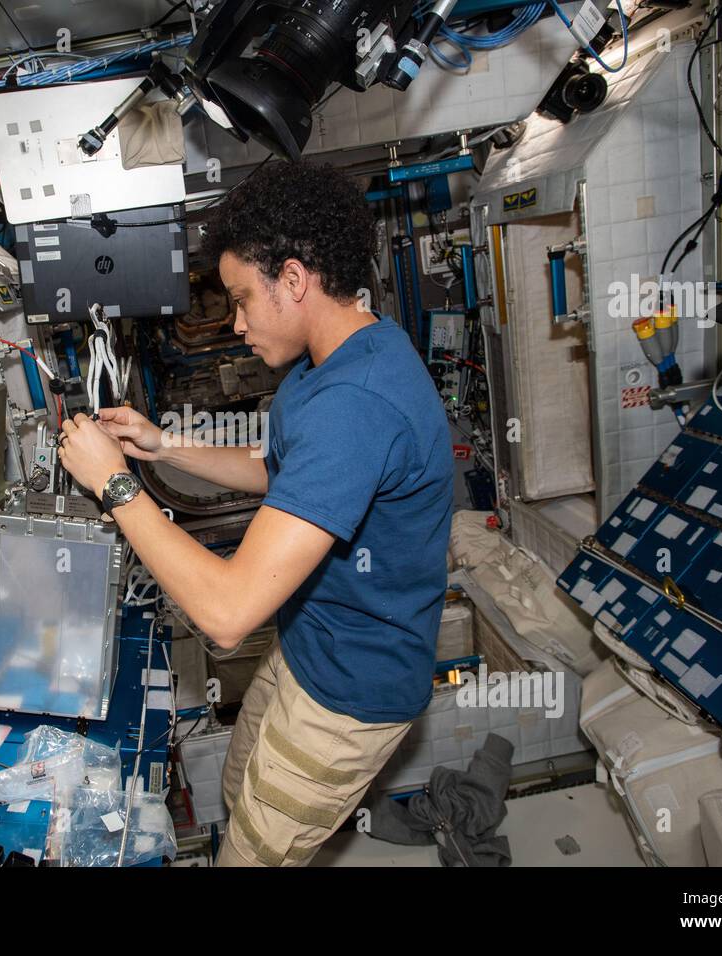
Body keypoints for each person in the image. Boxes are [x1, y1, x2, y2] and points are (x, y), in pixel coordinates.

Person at [56, 160, 454, 866]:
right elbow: (284, 473)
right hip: (309, 647)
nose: (235, 324)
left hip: (348, 696)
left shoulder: (355, 405)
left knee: (254, 853)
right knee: (241, 787)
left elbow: (228, 613)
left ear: (295, 280)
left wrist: (117, 486)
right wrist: (161, 447)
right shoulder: (334, 359)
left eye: (242, 299)